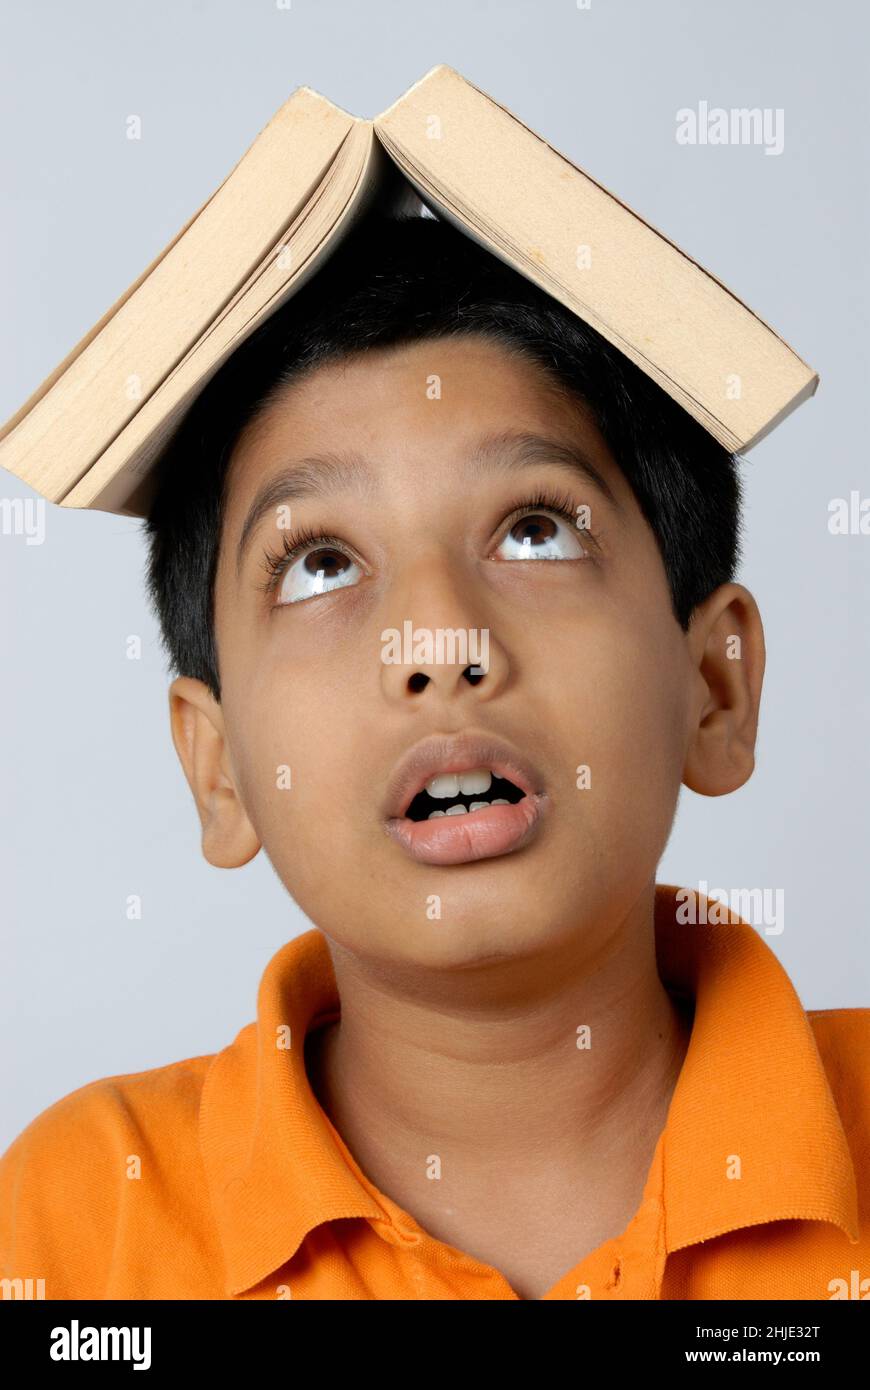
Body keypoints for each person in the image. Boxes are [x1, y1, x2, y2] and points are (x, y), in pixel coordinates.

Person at [1, 208, 866, 1301]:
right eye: (319, 563)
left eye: (536, 531)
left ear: (714, 685)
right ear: (217, 767)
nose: (438, 643)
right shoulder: (75, 1223)